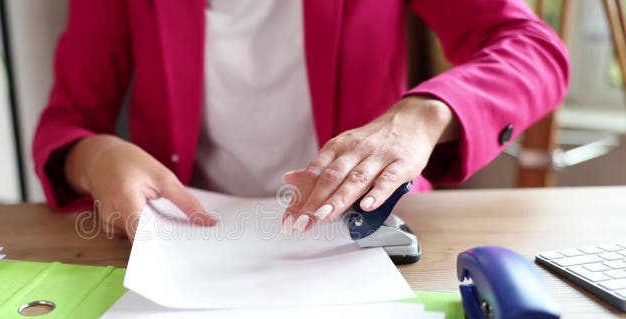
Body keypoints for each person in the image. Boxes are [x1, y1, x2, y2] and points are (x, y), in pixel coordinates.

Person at [33, 0, 569, 239]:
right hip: (193, 246)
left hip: (366, 236)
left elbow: (533, 49)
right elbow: (67, 122)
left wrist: (426, 115)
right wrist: (97, 156)